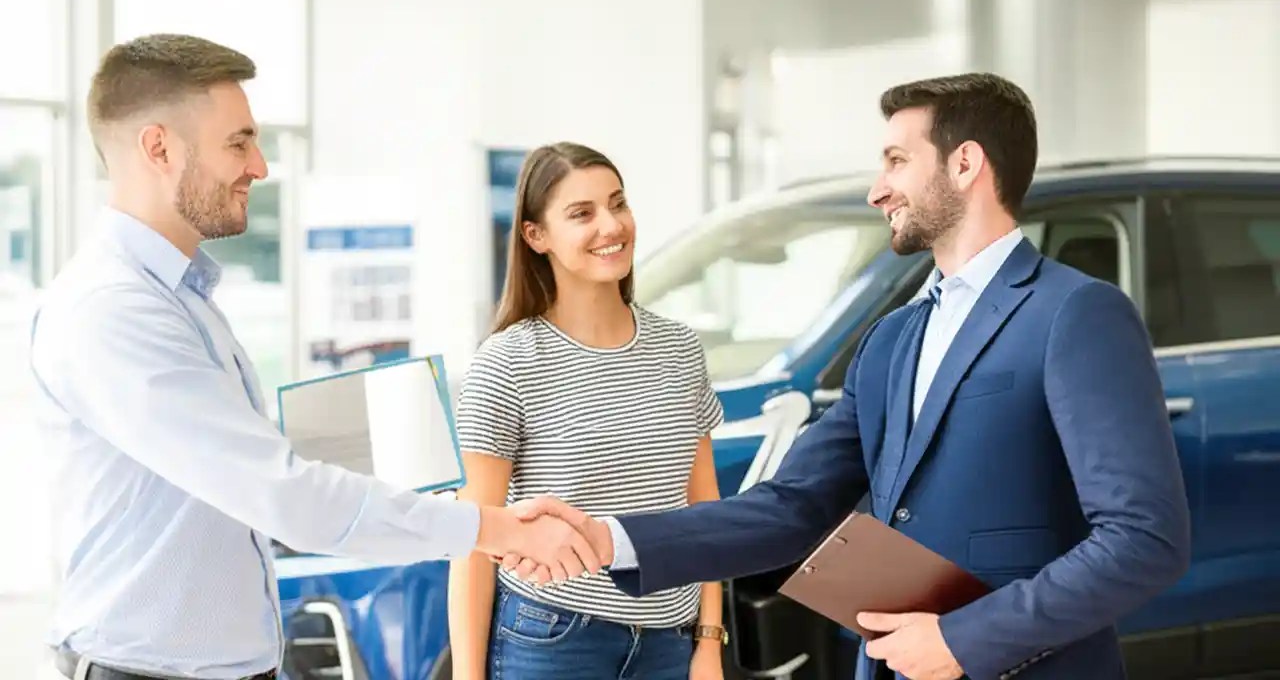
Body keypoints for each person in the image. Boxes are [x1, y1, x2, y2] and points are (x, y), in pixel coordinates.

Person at [508, 73, 1193, 680]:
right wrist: (605, 538)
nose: (877, 189)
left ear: (965, 164)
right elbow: (792, 508)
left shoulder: (1075, 313)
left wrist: (963, 640)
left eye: (896, 160)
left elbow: (1145, 539)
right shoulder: (891, 340)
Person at [28, 34, 599, 680]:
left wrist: (384, 457)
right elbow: (281, 494)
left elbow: (241, 472)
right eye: (238, 143)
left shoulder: (183, 297)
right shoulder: (113, 309)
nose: (259, 166)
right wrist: (491, 528)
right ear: (158, 148)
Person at [446, 142, 727, 680]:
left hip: (671, 643)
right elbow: (475, 539)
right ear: (536, 236)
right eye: (582, 213)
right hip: (552, 642)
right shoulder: (508, 362)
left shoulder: (679, 349)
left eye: (618, 204)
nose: (611, 225)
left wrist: (709, 640)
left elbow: (705, 509)